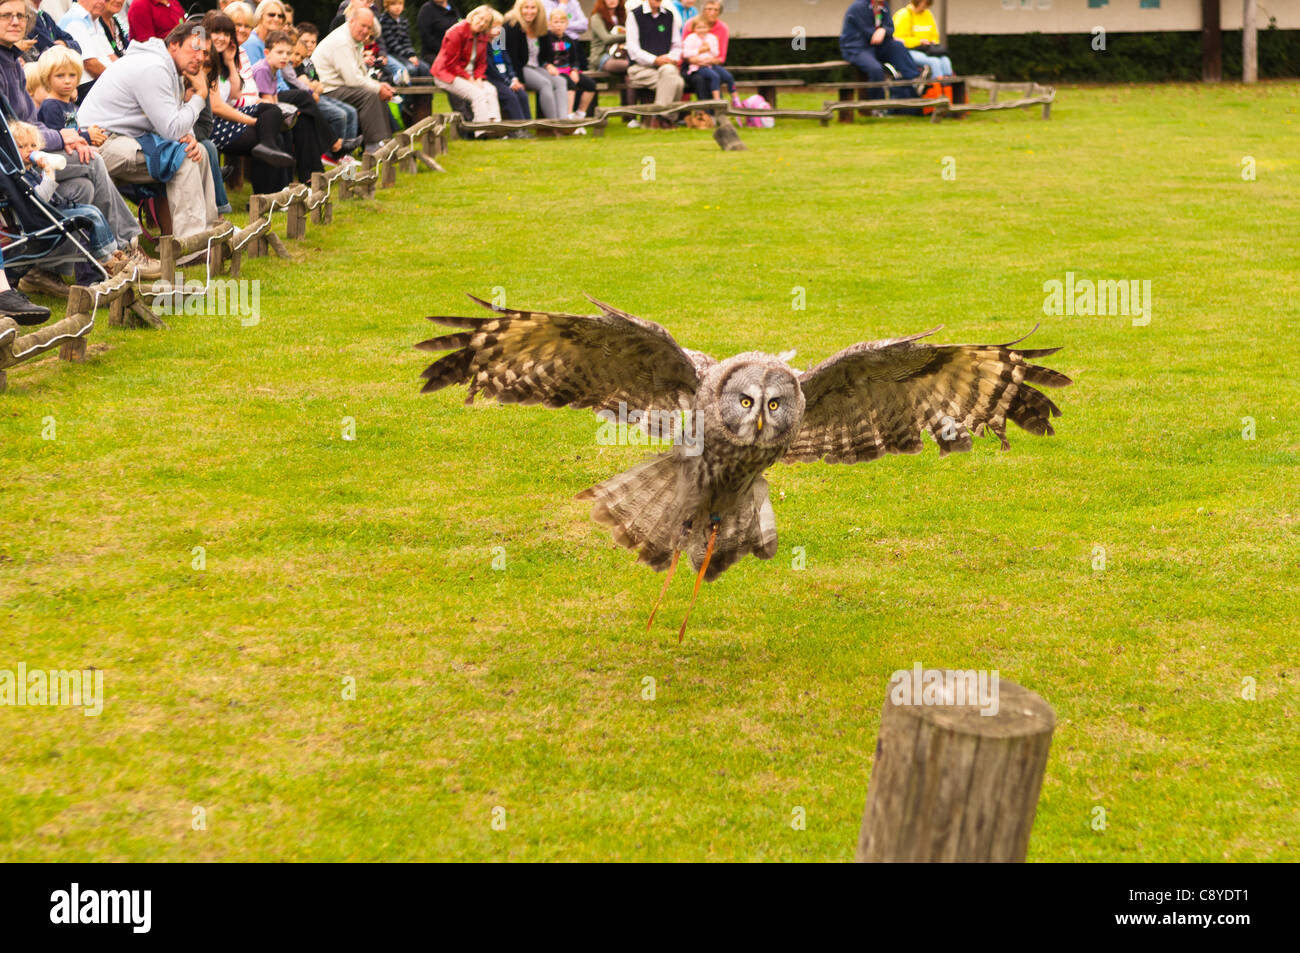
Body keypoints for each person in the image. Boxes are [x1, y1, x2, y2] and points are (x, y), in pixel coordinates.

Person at [0, 0, 145, 261]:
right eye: (6, 15)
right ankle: (126, 244)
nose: (15, 22)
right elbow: (11, 133)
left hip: (31, 153)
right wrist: (61, 137)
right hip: (15, 164)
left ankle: (48, 269)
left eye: (20, 16)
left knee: (82, 187)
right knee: (93, 161)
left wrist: (71, 137)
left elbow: (32, 122)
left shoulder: (13, 64)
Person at [76, 17, 222, 242]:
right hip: (97, 143)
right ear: (174, 44)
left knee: (197, 152)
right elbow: (171, 128)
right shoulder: (153, 67)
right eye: (195, 49)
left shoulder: (168, 68)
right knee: (184, 158)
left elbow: (171, 118)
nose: (200, 58)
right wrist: (200, 97)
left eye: (204, 53)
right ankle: (191, 245)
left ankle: (209, 232)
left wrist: (190, 138)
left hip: (127, 139)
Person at [13, 119, 127, 283]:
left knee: (93, 211)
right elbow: (40, 200)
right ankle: (105, 258)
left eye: (32, 146)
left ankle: (112, 251)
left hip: (52, 209)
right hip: (40, 217)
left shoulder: (30, 170)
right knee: (90, 214)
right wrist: (49, 174)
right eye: (22, 147)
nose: (28, 151)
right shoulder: (20, 176)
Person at [312, 5, 395, 149]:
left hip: (339, 86)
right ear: (352, 21)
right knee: (370, 96)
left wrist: (379, 86)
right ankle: (374, 147)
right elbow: (353, 79)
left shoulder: (353, 39)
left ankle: (385, 141)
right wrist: (377, 88)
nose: (365, 31)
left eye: (368, 28)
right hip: (326, 90)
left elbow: (361, 73)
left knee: (376, 93)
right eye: (363, 26)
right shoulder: (342, 41)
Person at [839, 0, 927, 105]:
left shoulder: (883, 5)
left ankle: (914, 80)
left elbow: (890, 27)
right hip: (856, 48)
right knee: (876, 69)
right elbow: (869, 33)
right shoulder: (858, 7)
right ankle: (877, 105)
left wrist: (884, 30)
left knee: (897, 46)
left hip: (875, 46)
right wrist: (883, 32)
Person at [432, 3, 500, 129]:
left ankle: (495, 126)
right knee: (477, 94)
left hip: (469, 75)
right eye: (480, 19)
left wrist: (479, 78)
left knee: (490, 90)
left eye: (486, 22)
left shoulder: (482, 36)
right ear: (473, 16)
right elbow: (452, 64)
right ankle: (481, 130)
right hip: (446, 74)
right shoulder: (456, 32)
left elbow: (481, 62)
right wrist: (470, 80)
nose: (482, 23)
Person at [624, 0, 682, 128]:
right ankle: (665, 118)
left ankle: (659, 118)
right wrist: (654, 60)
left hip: (665, 68)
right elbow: (633, 50)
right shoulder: (634, 15)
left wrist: (670, 58)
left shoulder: (669, 15)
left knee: (669, 74)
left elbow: (677, 45)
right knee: (676, 82)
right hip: (639, 69)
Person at [34, 45, 107, 147]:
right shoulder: (51, 106)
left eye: (72, 75)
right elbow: (62, 141)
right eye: (60, 75)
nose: (67, 81)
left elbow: (75, 132)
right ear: (46, 78)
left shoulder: (68, 104)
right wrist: (88, 136)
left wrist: (94, 136)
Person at [504, 0, 564, 120]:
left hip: (537, 66)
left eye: (533, 8)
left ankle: (564, 120)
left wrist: (548, 64)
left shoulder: (539, 25)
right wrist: (518, 79)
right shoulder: (512, 26)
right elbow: (512, 57)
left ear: (538, 9)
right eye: (526, 7)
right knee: (545, 84)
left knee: (560, 81)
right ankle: (554, 123)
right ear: (519, 8)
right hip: (521, 68)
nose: (529, 11)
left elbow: (547, 53)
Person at [539, 8, 591, 119]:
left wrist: (574, 70)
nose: (559, 25)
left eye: (562, 22)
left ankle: (580, 115)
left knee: (590, 84)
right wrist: (547, 65)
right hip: (555, 71)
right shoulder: (545, 39)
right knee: (570, 84)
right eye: (556, 22)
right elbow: (540, 57)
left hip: (568, 70)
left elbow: (574, 59)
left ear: (566, 24)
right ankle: (568, 116)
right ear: (549, 23)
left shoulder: (569, 40)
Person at [56, 0, 113, 101]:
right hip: (86, 86)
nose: (103, 2)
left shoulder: (93, 19)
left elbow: (111, 56)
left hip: (100, 80)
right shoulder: (74, 19)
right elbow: (91, 65)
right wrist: (117, 80)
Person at [485, 18, 529, 123]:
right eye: (494, 27)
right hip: (495, 79)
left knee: (522, 94)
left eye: (500, 26)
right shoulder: (485, 46)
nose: (499, 30)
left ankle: (528, 124)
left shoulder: (499, 43)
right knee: (511, 96)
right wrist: (509, 83)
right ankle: (517, 128)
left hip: (507, 78)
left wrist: (514, 78)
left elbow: (508, 62)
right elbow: (491, 69)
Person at [681, 1, 731, 95]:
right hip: (691, 65)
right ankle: (704, 109)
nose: (712, 12)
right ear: (703, 11)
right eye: (709, 9)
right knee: (700, 79)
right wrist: (695, 60)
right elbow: (684, 51)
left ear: (719, 12)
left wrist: (709, 61)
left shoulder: (723, 28)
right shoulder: (691, 24)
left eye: (716, 9)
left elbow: (721, 57)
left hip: (711, 64)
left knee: (716, 75)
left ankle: (717, 106)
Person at [892, 0, 951, 79]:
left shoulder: (927, 14)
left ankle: (949, 86)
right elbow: (897, 39)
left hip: (927, 49)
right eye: (924, 5)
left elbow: (934, 34)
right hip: (909, 50)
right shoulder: (903, 15)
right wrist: (919, 41)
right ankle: (937, 88)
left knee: (945, 60)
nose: (925, 7)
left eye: (927, 4)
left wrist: (933, 41)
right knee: (934, 62)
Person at [379, 0, 430, 83]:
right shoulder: (384, 21)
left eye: (400, 4)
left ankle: (424, 95)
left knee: (424, 68)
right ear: (387, 6)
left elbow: (407, 42)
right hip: (392, 54)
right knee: (411, 69)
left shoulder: (403, 21)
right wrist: (408, 56)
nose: (397, 7)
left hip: (404, 54)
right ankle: (408, 94)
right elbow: (392, 43)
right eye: (393, 4)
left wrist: (412, 55)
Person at [681, 16, 721, 101]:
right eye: (699, 27)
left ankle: (718, 105)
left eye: (704, 27)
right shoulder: (691, 38)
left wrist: (709, 54)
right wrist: (699, 51)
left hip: (709, 65)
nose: (702, 30)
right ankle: (710, 105)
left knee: (722, 76)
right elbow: (685, 54)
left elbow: (716, 54)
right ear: (694, 29)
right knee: (703, 79)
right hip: (693, 67)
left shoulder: (711, 38)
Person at [242, 0, 288, 64]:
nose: (276, 19)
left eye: (280, 16)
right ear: (260, 15)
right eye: (271, 15)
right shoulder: (252, 42)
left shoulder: (272, 42)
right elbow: (254, 73)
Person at [588, 0, 627, 75]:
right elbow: (606, 39)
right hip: (601, 56)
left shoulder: (621, 16)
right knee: (630, 65)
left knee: (631, 71)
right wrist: (628, 35)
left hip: (621, 53)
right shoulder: (596, 17)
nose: (612, 1)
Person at [416, 0, 458, 67]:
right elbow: (426, 36)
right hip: (433, 54)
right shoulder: (426, 10)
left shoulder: (453, 8)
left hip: (455, 54)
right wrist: (445, 51)